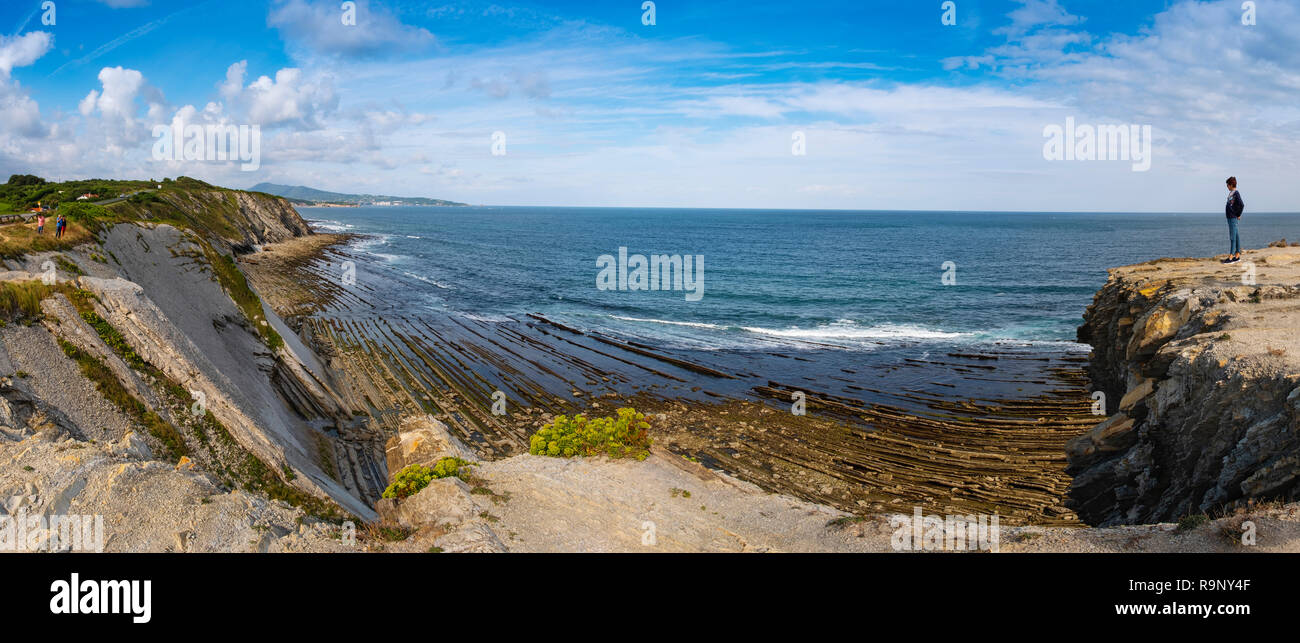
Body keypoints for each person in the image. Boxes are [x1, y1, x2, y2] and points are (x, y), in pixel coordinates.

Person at [1223, 176, 1244, 264]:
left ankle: (1231, 256)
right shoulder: (1231, 193)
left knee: (1232, 236)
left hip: (1232, 217)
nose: (1227, 186)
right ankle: (1237, 254)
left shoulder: (1236, 193)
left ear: (1231, 185)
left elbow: (1241, 204)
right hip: (1230, 217)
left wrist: (1238, 214)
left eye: (1228, 185)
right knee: (1236, 235)